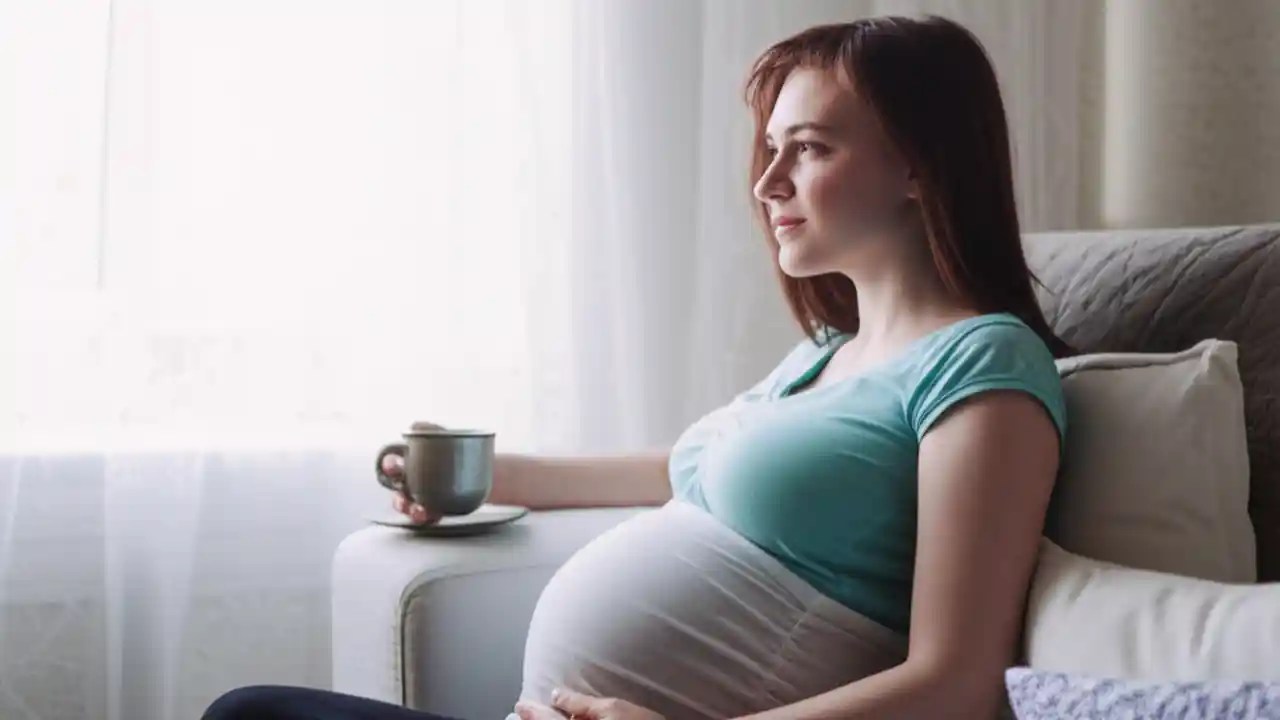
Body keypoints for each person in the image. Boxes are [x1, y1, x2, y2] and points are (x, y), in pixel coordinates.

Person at [203, 13, 1072, 720]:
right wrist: (484, 478)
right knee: (252, 712)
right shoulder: (822, 358)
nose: (767, 182)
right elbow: (676, 469)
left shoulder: (981, 363)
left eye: (808, 148)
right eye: (771, 148)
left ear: (917, 166)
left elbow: (956, 684)